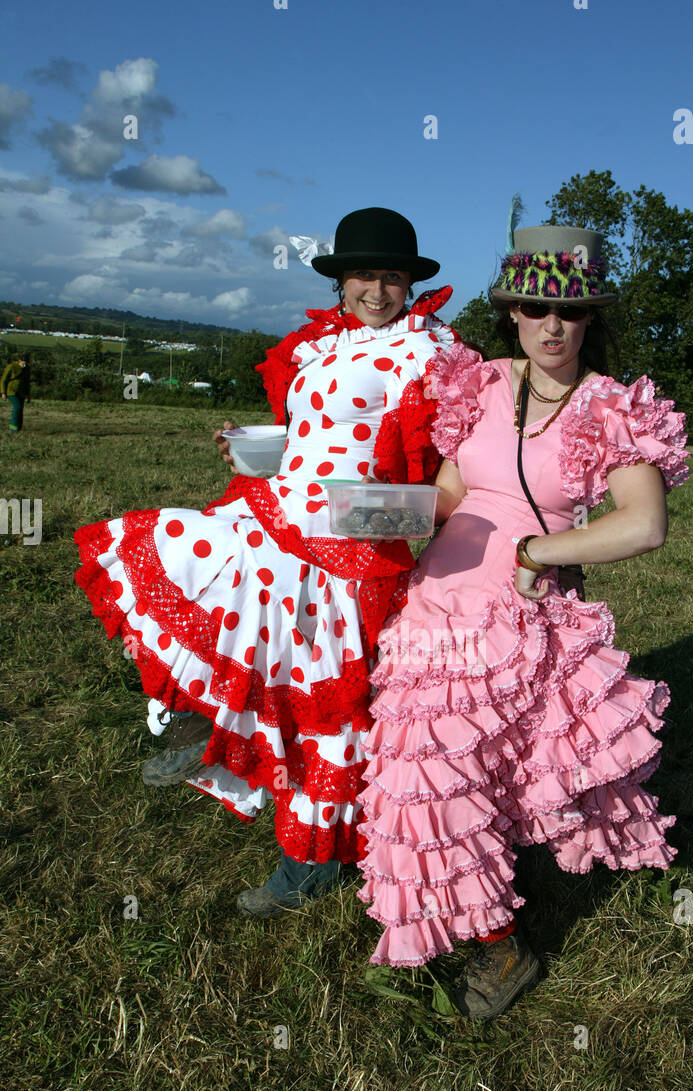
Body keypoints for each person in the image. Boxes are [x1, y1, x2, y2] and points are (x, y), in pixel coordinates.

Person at [74, 207, 458, 909]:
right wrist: (255, 449)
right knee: (158, 553)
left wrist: (360, 514)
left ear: (411, 284)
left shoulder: (431, 354)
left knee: (325, 711)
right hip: (272, 516)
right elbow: (306, 440)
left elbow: (440, 482)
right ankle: (208, 719)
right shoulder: (316, 346)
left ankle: (309, 864)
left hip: (347, 551)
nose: (377, 289)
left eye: (392, 277)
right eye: (363, 275)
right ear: (340, 281)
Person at [355, 223, 690, 1020]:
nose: (550, 326)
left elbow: (642, 525)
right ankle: (455, 916)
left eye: (567, 314)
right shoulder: (476, 383)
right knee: (430, 768)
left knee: (442, 769)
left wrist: (542, 548)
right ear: (510, 311)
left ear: (588, 321)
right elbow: (450, 491)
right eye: (534, 308)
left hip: (520, 605)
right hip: (437, 595)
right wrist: (384, 511)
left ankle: (500, 950)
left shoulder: (611, 407)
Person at [1, 354, 31, 432]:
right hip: (11, 391)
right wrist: (3, 392)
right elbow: (3, 380)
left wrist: (28, 395)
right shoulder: (11, 366)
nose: (24, 364)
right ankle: (13, 429)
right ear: (19, 361)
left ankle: (18, 429)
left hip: (21, 392)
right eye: (23, 362)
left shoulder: (27, 369)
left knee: (20, 410)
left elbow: (27, 382)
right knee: (17, 407)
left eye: (26, 363)